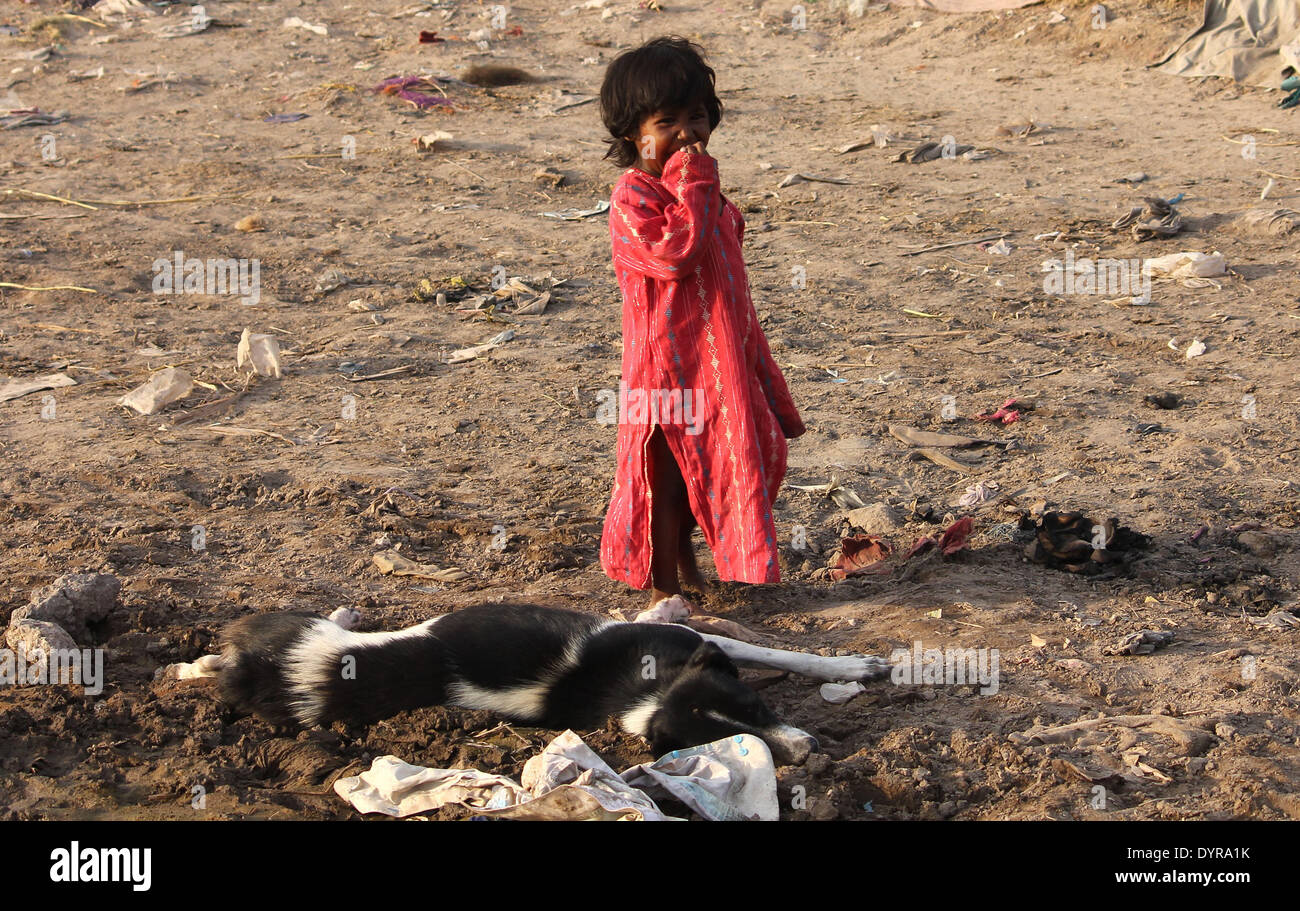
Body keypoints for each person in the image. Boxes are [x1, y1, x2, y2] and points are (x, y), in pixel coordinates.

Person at [597, 36, 806, 615]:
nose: (688, 134)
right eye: (668, 122)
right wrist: (695, 184)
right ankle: (663, 587)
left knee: (726, 463)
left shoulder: (707, 194)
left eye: (697, 117)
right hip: (664, 374)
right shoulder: (633, 196)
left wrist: (762, 372)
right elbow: (674, 254)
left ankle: (692, 564)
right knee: (664, 482)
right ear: (632, 136)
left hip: (718, 366)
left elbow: (733, 293)